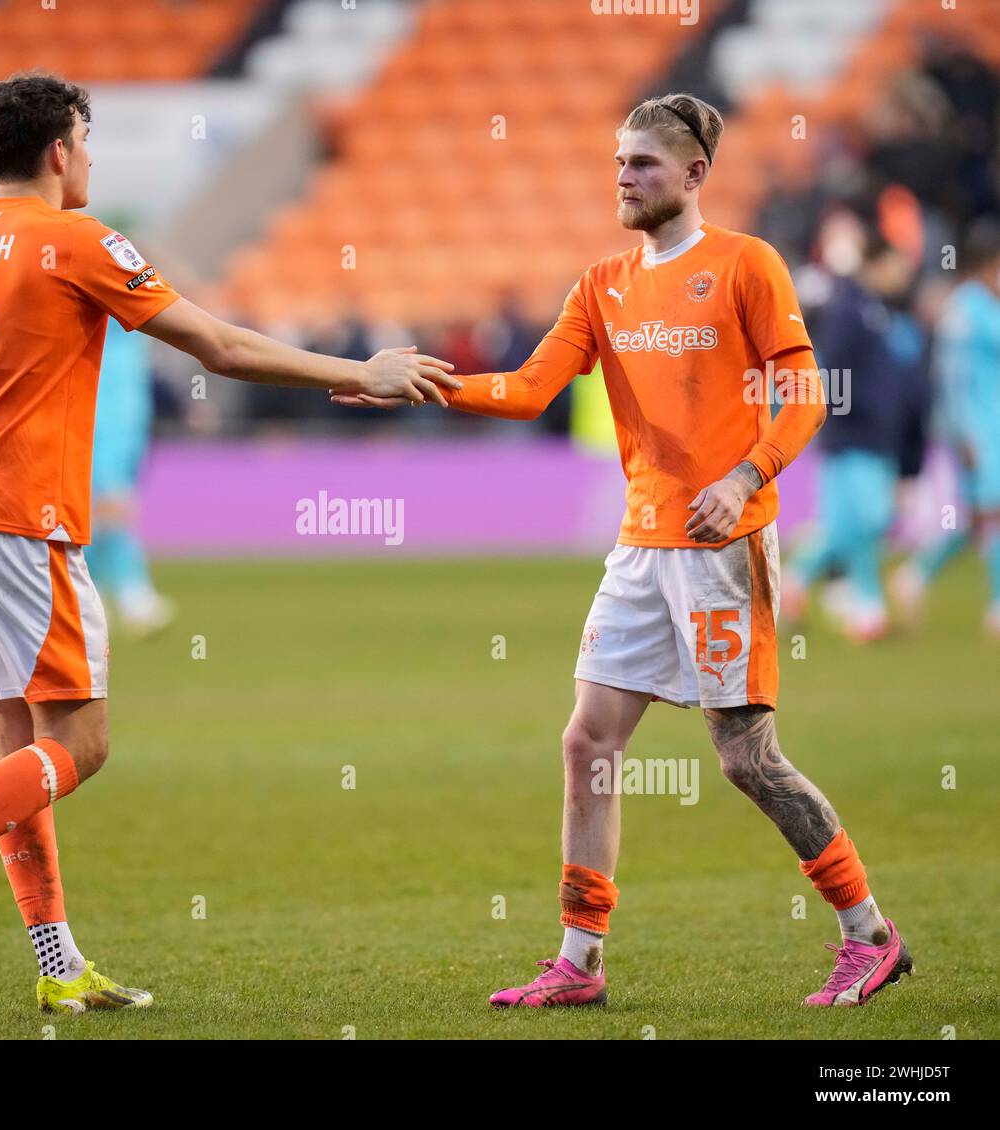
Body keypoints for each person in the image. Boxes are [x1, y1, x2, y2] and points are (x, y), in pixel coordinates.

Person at [0, 72, 457, 1012]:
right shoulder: (81, 241)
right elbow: (219, 346)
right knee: (81, 745)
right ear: (58, 150)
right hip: (21, 523)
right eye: (85, 141)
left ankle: (58, 970)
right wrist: (361, 371)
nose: (89, 157)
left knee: (21, 749)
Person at [336, 93, 913, 1009]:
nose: (624, 176)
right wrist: (423, 388)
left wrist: (747, 475)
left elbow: (803, 394)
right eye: (618, 161)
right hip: (640, 550)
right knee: (588, 742)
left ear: (692, 175)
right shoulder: (602, 282)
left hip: (723, 548)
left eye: (642, 163)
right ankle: (579, 961)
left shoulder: (745, 265)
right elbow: (529, 391)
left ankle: (868, 934)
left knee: (745, 760)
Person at [782, 235, 923, 641]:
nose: (903, 275)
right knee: (869, 520)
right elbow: (832, 369)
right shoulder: (850, 309)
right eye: (897, 264)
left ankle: (804, 582)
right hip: (854, 434)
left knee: (852, 524)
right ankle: (864, 607)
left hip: (866, 433)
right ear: (877, 263)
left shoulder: (873, 309)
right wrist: (845, 417)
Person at [893, 220, 1000, 635]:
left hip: (990, 428)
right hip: (979, 432)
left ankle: (915, 575)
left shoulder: (983, 307)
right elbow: (951, 378)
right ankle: (995, 609)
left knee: (976, 520)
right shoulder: (964, 312)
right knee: (993, 516)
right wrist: (962, 432)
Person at [87, 317, 175, 636]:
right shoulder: (100, 281)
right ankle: (132, 592)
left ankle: (92, 593)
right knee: (109, 504)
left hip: (130, 415)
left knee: (114, 505)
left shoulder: (137, 287)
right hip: (98, 410)